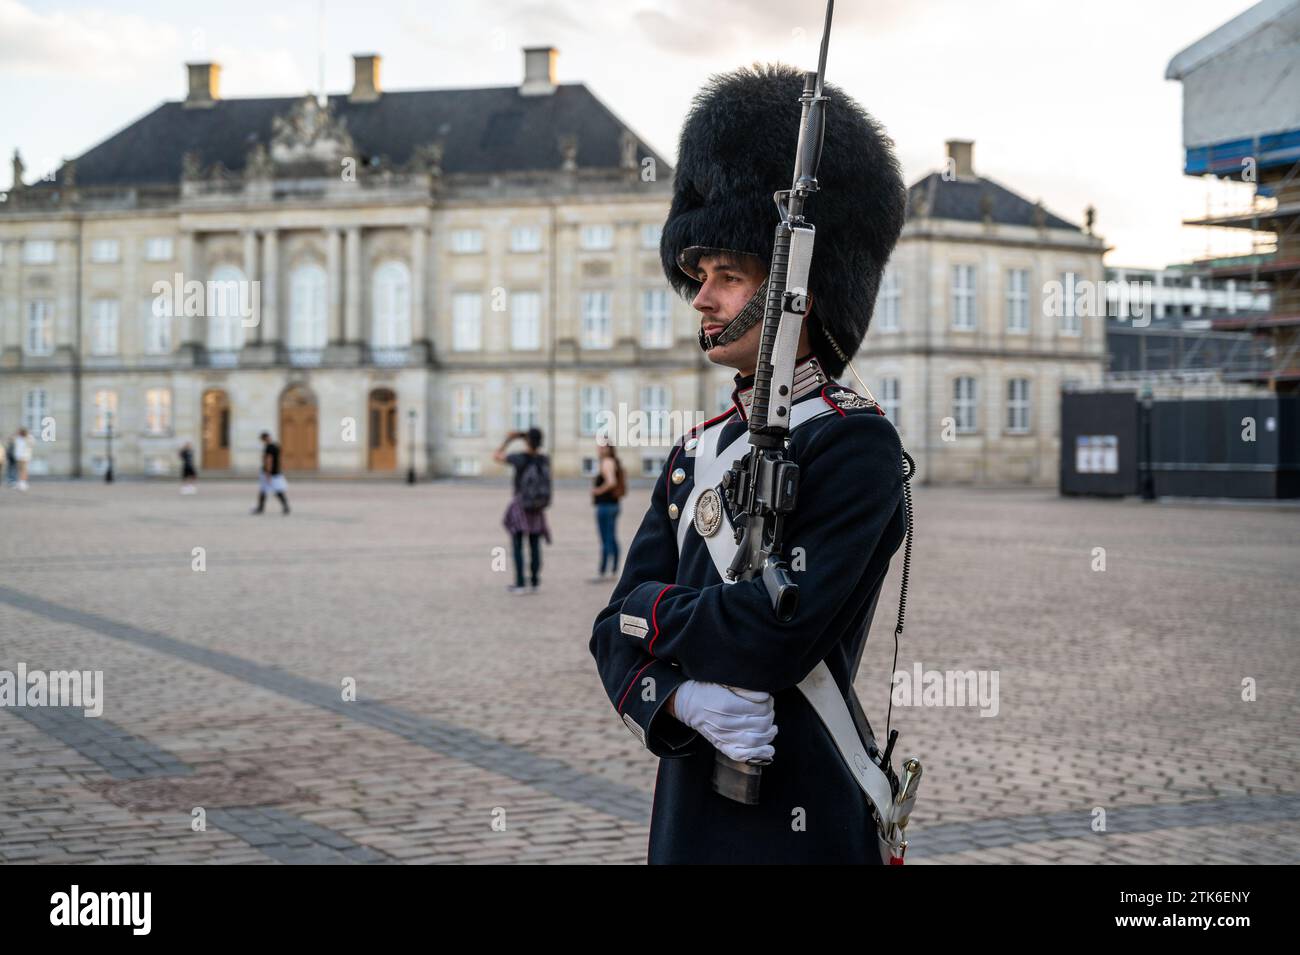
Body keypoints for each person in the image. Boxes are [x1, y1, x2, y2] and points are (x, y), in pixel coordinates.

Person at [588, 64, 909, 863]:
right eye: (700, 277)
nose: (701, 298)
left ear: (803, 292)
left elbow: (772, 634)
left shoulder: (854, 442)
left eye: (728, 277)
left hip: (802, 810)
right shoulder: (696, 449)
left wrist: (656, 615)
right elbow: (608, 629)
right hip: (690, 804)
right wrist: (678, 696)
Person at [493, 427, 551, 594]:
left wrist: (509, 440)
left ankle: (520, 582)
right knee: (534, 543)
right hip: (538, 507)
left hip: (521, 505)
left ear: (527, 441)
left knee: (518, 544)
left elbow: (496, 456)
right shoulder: (544, 459)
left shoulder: (520, 458)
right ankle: (534, 581)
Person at [589, 440, 625, 582]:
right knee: (612, 537)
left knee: (606, 539)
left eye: (601, 446)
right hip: (613, 505)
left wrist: (597, 490)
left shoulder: (607, 462)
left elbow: (611, 482)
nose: (598, 449)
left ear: (608, 448)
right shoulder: (613, 461)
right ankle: (614, 569)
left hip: (605, 506)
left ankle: (603, 571)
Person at [251, 431, 289, 515]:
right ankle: (284, 507)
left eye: (262, 440)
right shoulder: (276, 445)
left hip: (270, 473)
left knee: (275, 490)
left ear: (264, 439)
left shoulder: (269, 447)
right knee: (266, 490)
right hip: (276, 471)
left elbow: (269, 460)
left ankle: (261, 508)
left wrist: (268, 473)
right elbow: (280, 458)